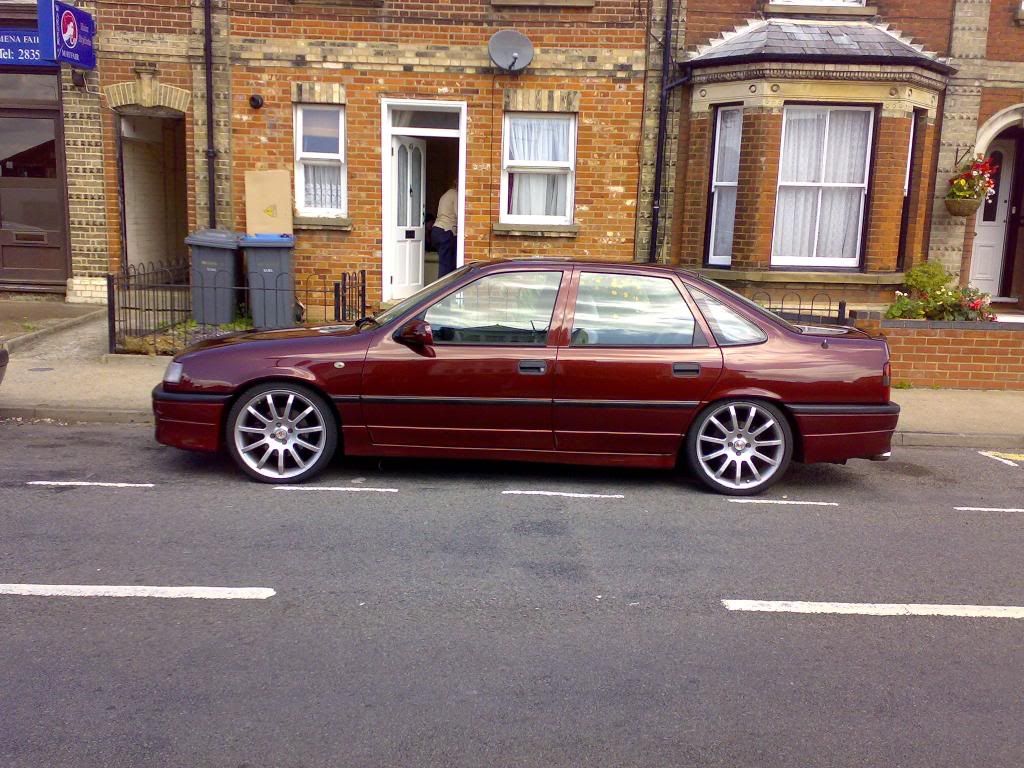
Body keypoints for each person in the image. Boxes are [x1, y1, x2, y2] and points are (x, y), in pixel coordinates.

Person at [431, 179, 458, 277]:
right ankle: (444, 290)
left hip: (436, 230)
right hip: (445, 231)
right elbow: (458, 213)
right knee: (446, 265)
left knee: (444, 262)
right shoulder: (455, 194)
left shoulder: (445, 195)